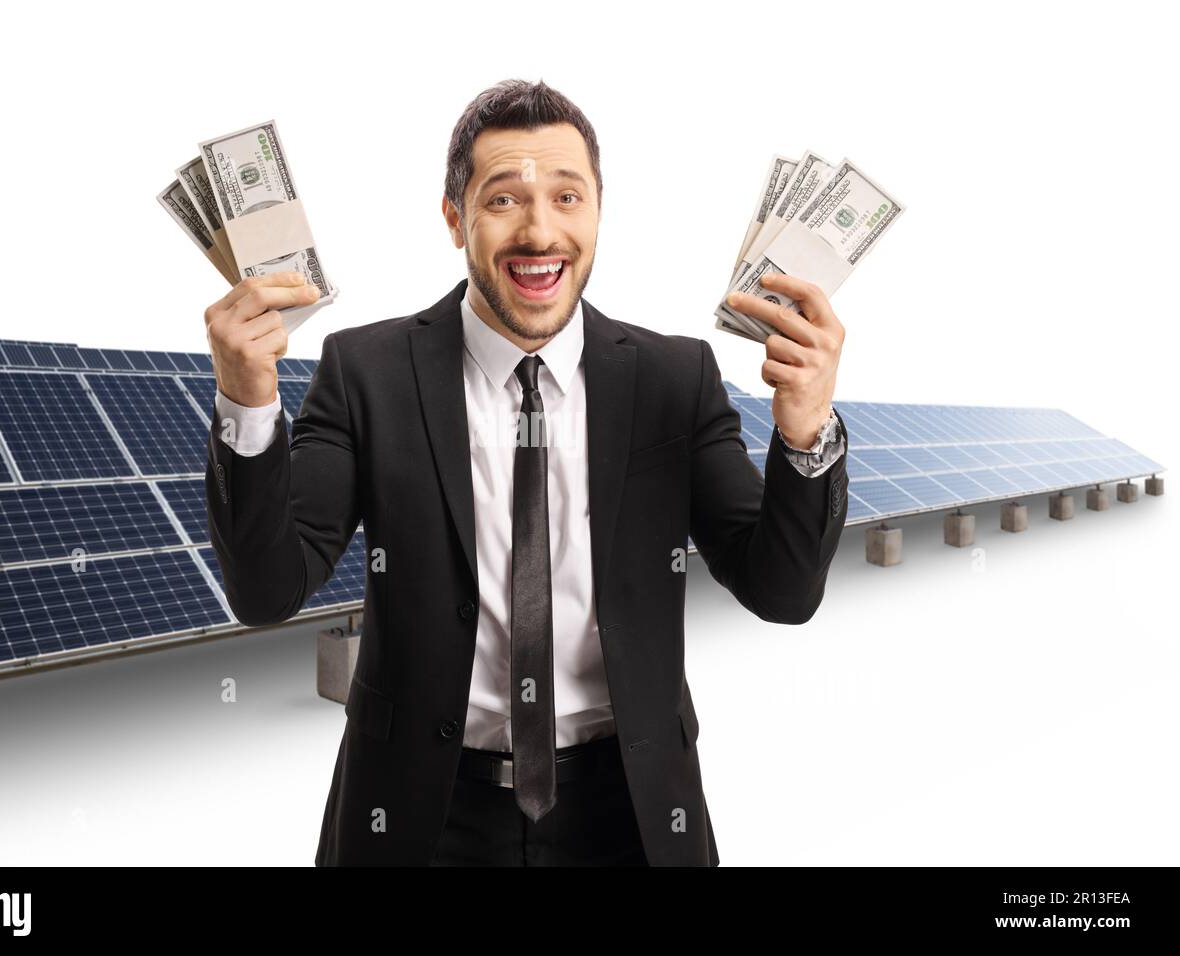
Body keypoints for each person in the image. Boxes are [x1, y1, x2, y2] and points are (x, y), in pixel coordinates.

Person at [203, 79, 849, 866]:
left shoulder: (676, 380)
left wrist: (807, 429)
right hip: (420, 815)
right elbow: (269, 588)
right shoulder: (365, 372)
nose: (541, 231)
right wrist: (246, 404)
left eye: (568, 196)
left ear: (598, 212)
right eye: (504, 199)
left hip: (631, 815)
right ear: (455, 219)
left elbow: (782, 591)